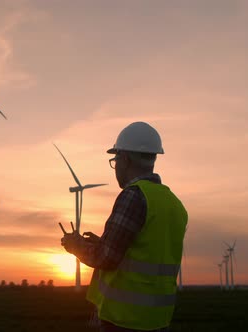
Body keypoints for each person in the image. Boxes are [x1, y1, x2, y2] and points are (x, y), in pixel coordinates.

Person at [61, 122, 188, 332]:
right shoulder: (174, 203)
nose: (115, 166)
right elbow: (146, 251)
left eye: (115, 159)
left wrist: (75, 246)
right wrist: (103, 242)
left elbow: (106, 258)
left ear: (126, 159)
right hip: (157, 320)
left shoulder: (134, 196)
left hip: (123, 320)